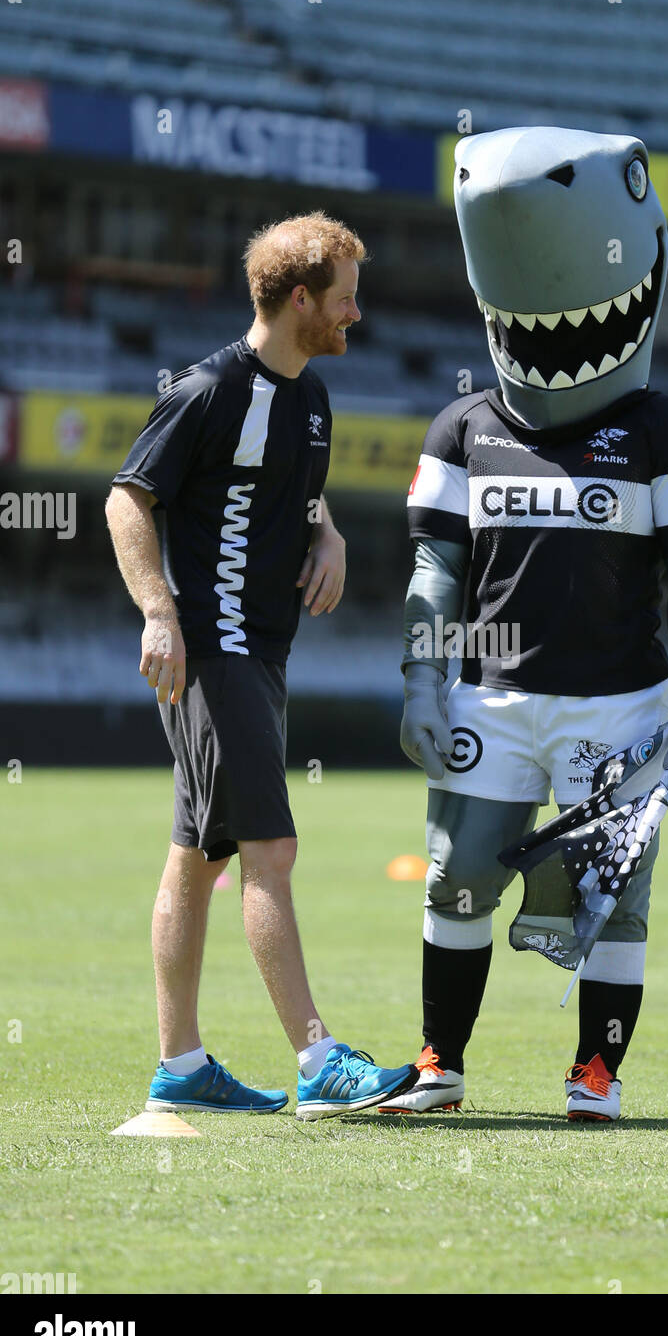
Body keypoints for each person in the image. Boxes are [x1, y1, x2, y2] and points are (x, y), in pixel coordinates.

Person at [384, 128, 668, 1121]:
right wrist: (420, 678)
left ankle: (596, 1072)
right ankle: (437, 1063)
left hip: (622, 703)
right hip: (486, 697)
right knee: (455, 882)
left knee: (614, 900)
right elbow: (434, 567)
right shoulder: (462, 429)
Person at [104, 211, 416, 1121]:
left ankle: (180, 1065)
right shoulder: (205, 391)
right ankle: (321, 1063)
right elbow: (130, 499)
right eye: (347, 300)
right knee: (269, 851)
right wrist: (160, 614)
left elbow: (299, 496)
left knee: (195, 860)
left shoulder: (313, 397)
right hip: (213, 654)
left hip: (262, 655)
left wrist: (331, 533)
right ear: (299, 299)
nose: (357, 316)